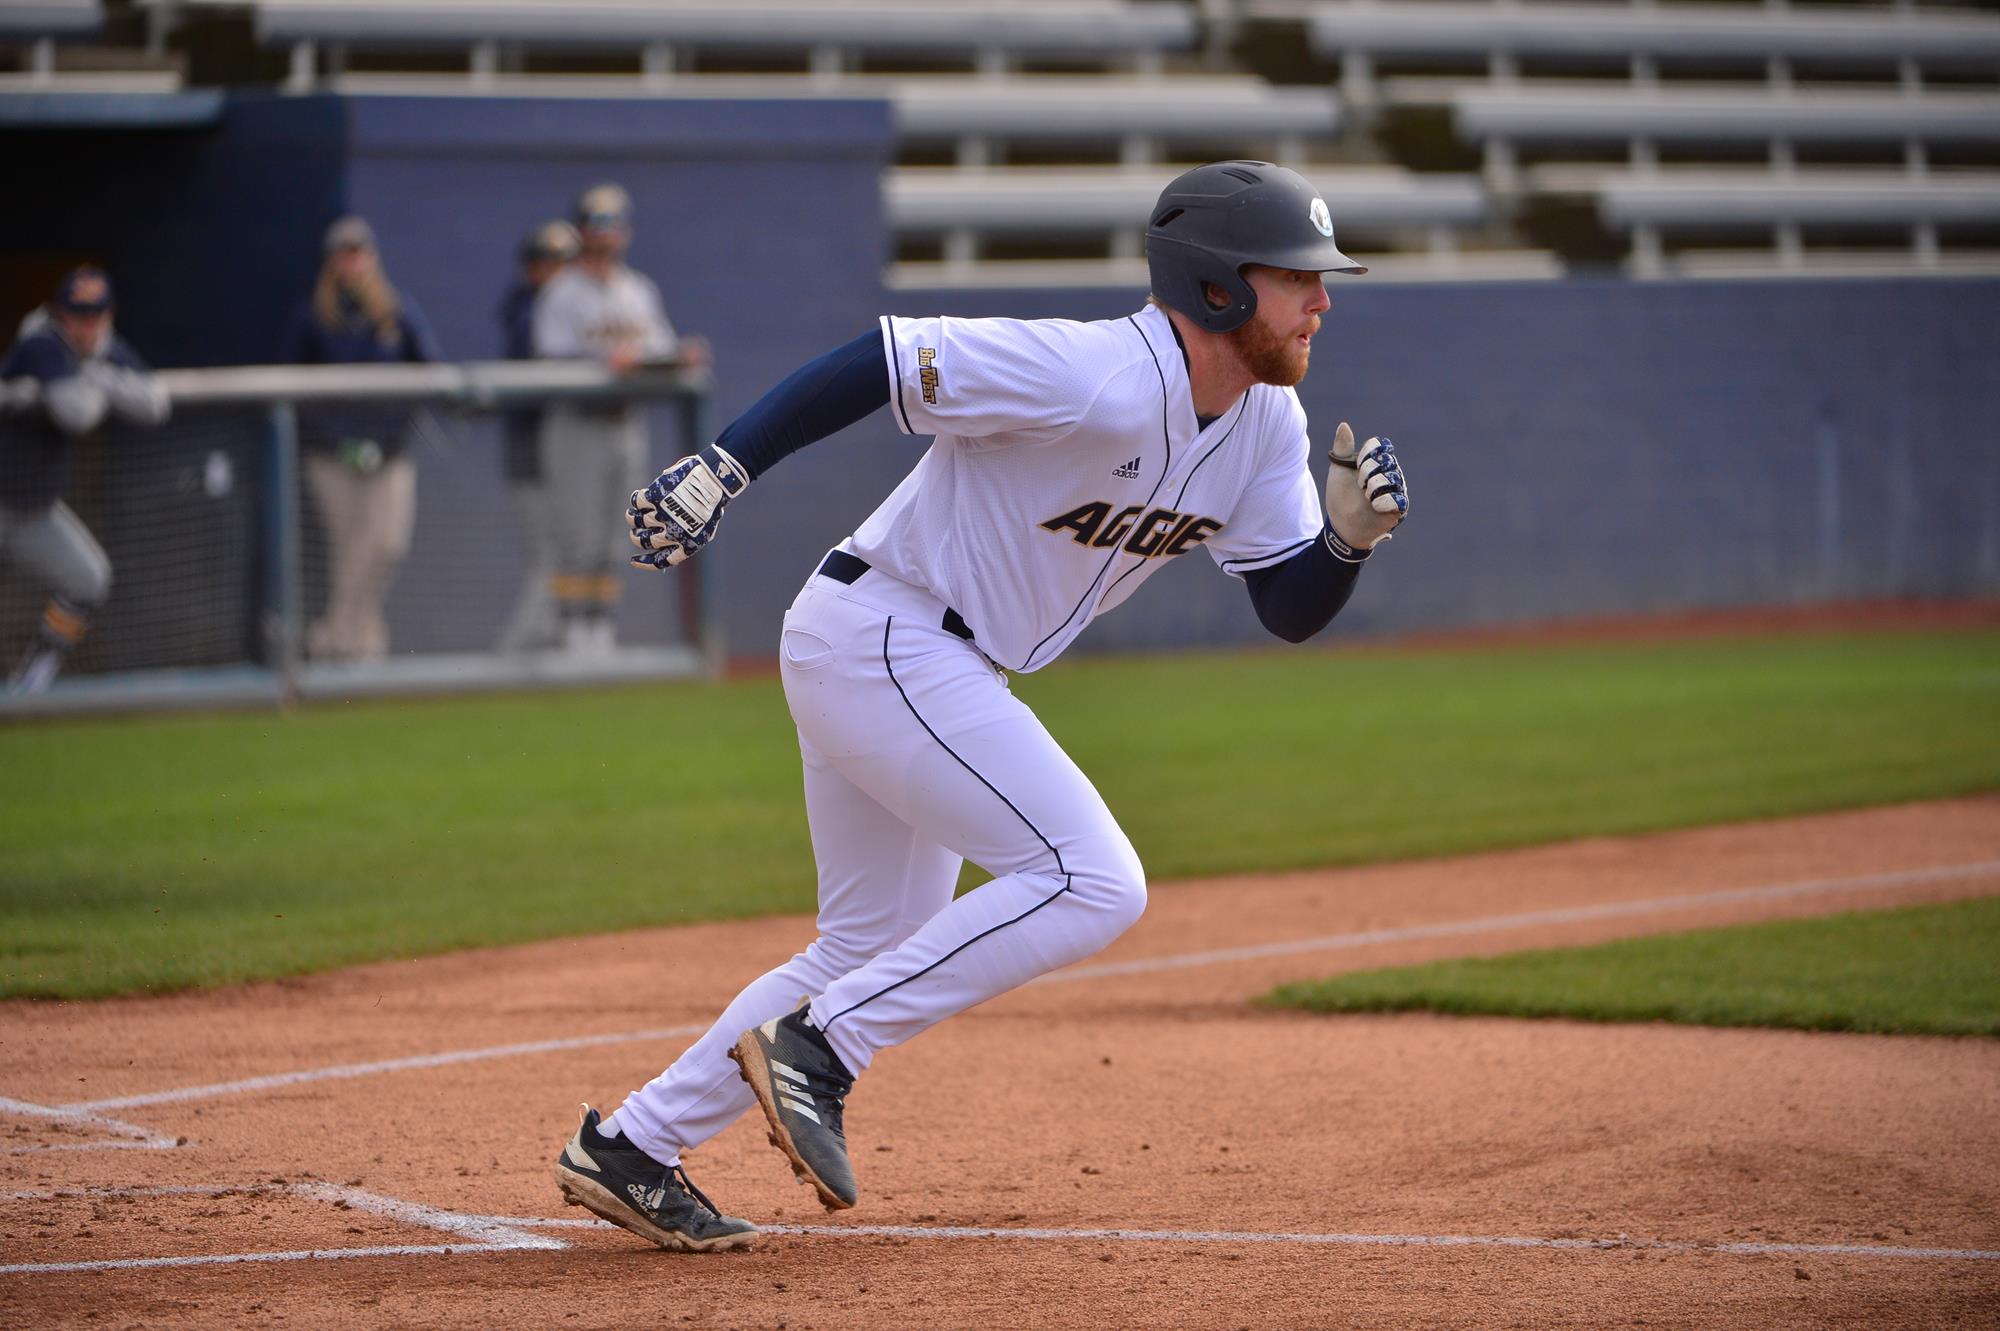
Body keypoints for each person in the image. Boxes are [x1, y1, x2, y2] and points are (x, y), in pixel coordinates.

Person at [552, 162, 1411, 1252]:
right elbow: (886, 357)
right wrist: (725, 466)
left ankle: (634, 1143)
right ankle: (820, 1049)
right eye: (1298, 277)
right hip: (888, 632)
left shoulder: (1260, 425)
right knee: (1093, 877)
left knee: (870, 938)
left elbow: (1285, 605)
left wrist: (1343, 544)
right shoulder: (1095, 373)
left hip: (907, 654)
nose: (1322, 301)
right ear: (1217, 289)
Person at [0, 267, 168, 694]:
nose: (87, 324)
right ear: (60, 313)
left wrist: (99, 373)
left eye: (95, 314)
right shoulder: (42, 342)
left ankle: (31, 684)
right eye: (78, 314)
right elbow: (75, 414)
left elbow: (155, 405)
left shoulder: (100, 350)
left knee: (88, 579)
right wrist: (101, 378)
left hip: (29, 507)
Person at [531, 183, 680, 655]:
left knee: (621, 532)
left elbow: (661, 346)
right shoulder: (562, 291)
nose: (608, 233)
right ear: (580, 231)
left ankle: (600, 630)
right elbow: (549, 358)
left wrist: (678, 358)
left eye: (615, 224)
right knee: (577, 535)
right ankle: (571, 631)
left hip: (625, 421)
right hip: (577, 422)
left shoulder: (638, 289)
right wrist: (603, 363)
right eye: (598, 223)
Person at [284, 215, 440, 663]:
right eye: (344, 253)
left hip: (389, 453)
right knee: (351, 547)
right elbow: (287, 384)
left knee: (388, 545)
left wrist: (395, 426)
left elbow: (429, 366)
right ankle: (358, 648)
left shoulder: (398, 309)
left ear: (371, 257)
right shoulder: (313, 316)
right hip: (332, 455)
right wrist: (336, 436)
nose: (352, 262)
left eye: (359, 252)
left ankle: (335, 636)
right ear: (332, 261)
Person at [495, 219, 581, 653]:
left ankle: (550, 649)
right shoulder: (528, 312)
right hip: (534, 451)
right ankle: (512, 660)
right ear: (532, 268)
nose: (562, 272)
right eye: (551, 263)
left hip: (569, 451)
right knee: (551, 559)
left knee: (567, 556)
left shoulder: (572, 308)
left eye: (568, 262)